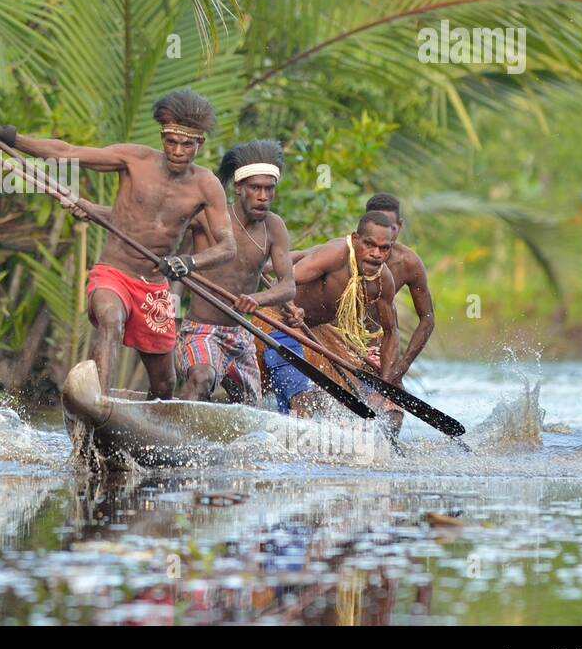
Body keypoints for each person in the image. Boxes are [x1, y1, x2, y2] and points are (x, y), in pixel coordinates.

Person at [0, 90, 236, 400]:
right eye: (171, 142)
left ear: (200, 144)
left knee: (165, 384)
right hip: (113, 272)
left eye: (187, 144)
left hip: (154, 288)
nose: (178, 151)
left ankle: (147, 431)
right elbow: (66, 152)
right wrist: (11, 139)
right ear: (162, 138)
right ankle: (101, 404)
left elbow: (227, 246)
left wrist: (189, 263)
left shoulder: (207, 185)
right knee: (110, 319)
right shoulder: (134, 159)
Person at [175, 140, 296, 404]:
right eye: (255, 188)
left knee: (251, 409)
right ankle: (176, 435)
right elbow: (165, 237)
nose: (263, 196)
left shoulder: (274, 228)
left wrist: (258, 300)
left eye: (269, 188)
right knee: (202, 378)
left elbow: (288, 286)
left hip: (240, 333)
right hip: (201, 330)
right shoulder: (209, 218)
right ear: (239, 188)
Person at [283, 212, 404, 432]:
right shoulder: (336, 254)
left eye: (384, 248)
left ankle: (348, 448)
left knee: (385, 406)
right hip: (282, 323)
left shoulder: (383, 280)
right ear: (356, 239)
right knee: (302, 397)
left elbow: (391, 332)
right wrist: (291, 308)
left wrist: (383, 386)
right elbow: (284, 281)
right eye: (370, 245)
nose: (376, 254)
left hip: (321, 334)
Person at [363, 194, 434, 383]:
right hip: (335, 342)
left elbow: (427, 318)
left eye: (390, 229)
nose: (382, 235)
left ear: (400, 226)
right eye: (377, 228)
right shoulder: (346, 251)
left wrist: (401, 367)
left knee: (392, 411)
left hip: (376, 351)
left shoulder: (409, 263)